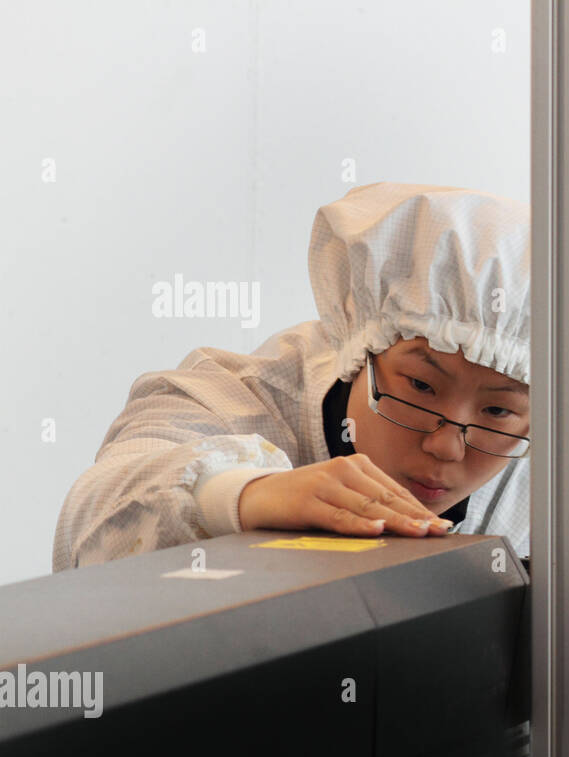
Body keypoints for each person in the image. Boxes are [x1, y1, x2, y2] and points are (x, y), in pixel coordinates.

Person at [53, 183, 531, 572]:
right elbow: (93, 516)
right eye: (421, 387)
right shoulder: (237, 395)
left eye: (497, 410)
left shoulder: (561, 482)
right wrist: (242, 495)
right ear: (362, 346)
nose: (446, 446)